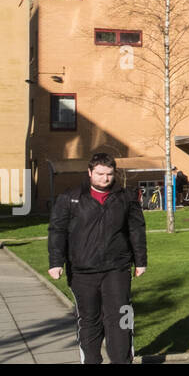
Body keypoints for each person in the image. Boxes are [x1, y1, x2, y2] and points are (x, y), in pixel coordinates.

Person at [48, 153, 147, 364]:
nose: (105, 178)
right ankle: (91, 360)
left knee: (120, 318)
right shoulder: (71, 198)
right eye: (100, 174)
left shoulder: (126, 197)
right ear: (90, 173)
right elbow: (57, 230)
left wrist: (141, 261)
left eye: (109, 174)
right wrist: (56, 262)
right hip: (82, 270)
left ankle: (122, 360)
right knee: (89, 320)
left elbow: (136, 229)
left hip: (117, 269)